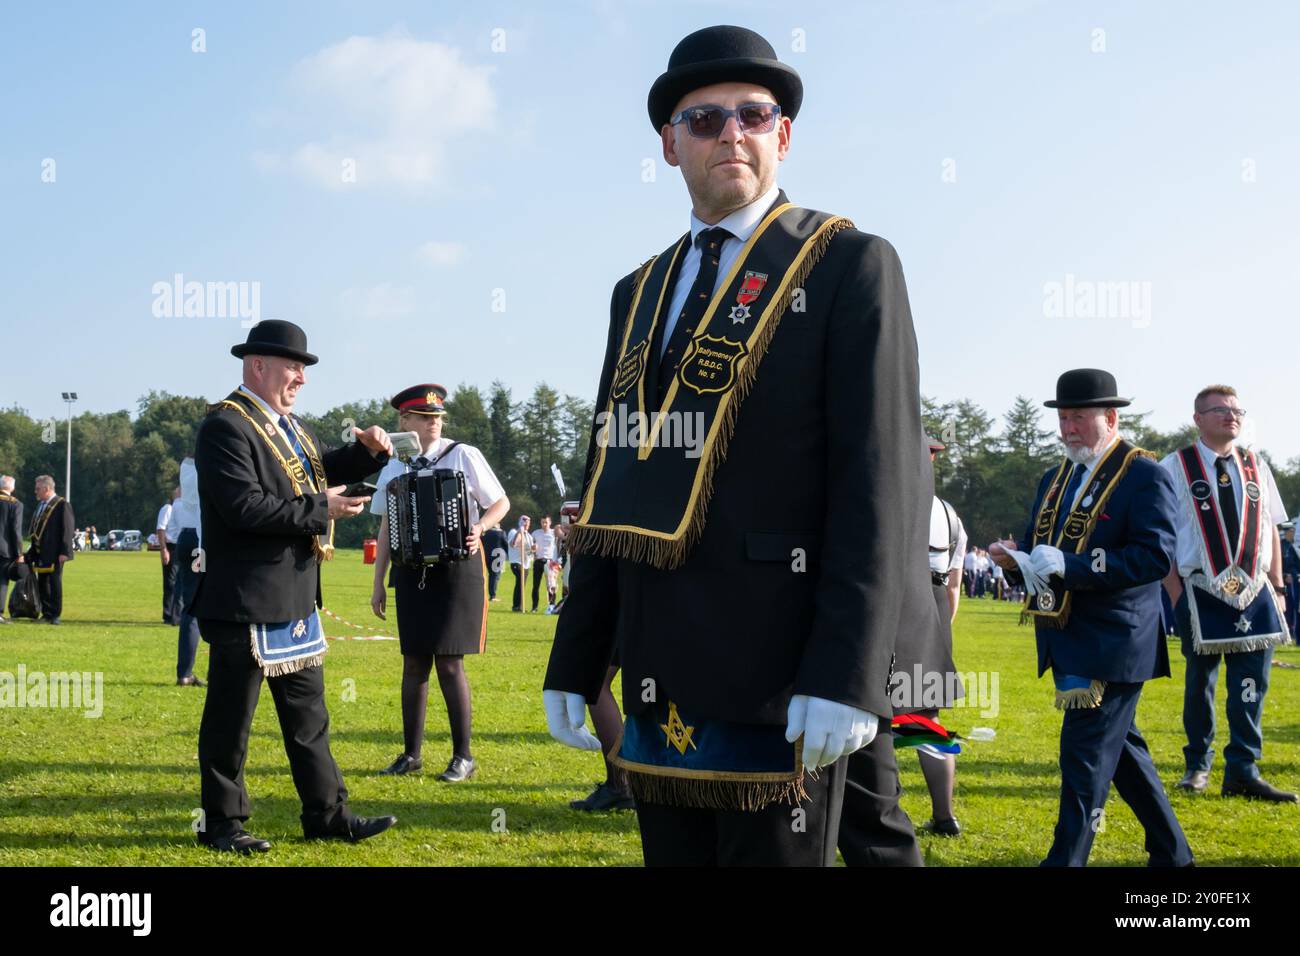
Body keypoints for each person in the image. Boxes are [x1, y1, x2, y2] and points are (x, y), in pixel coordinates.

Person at [542, 25, 931, 866]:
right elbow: (613, 475)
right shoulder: (637, 290)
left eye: (754, 115)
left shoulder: (845, 264)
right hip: (660, 659)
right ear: (669, 143)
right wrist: (577, 655)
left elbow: (880, 480)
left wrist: (846, 673)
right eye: (706, 119)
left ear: (783, 134)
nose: (733, 134)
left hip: (785, 666)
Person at [190, 319, 397, 854]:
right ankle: (222, 824)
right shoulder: (225, 427)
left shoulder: (291, 427)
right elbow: (244, 507)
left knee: (309, 721)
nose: (301, 377)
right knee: (229, 724)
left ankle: (327, 814)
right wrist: (319, 509)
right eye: (293, 367)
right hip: (246, 601)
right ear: (257, 365)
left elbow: (315, 468)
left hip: (296, 598)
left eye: (303, 369)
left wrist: (368, 456)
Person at [990, 368, 1193, 867]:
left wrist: (1074, 566)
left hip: (1115, 641)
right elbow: (1041, 551)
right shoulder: (1055, 476)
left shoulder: (1145, 474)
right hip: (1067, 634)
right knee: (1124, 756)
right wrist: (1015, 561)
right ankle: (1174, 853)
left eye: (1079, 417)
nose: (1068, 428)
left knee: (1082, 760)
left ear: (1110, 416)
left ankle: (1065, 860)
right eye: (1063, 418)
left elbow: (1152, 558)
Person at [1160, 385, 1296, 803]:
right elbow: (1161, 534)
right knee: (1200, 682)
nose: (1231, 416)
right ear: (1197, 419)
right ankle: (1197, 764)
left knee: (1252, 681)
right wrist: (1176, 592)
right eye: (1220, 410)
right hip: (1198, 586)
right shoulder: (1172, 466)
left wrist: (1277, 585)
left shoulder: (1257, 465)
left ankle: (1243, 768)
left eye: (1236, 410)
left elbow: (1271, 528)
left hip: (1256, 588)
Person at [369, 383, 510, 782]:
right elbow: (384, 525)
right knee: (413, 662)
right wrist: (378, 582)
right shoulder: (395, 464)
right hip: (411, 572)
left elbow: (501, 502)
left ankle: (463, 756)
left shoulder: (463, 454)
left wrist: (480, 526)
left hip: (457, 571)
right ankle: (411, 754)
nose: (433, 423)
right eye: (423, 417)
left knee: (449, 663)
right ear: (404, 421)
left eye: (436, 417)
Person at [838, 435, 965, 866]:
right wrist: (939, 629)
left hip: (896, 603)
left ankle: (883, 806)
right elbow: (953, 585)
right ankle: (943, 813)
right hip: (931, 609)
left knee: (879, 714)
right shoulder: (948, 512)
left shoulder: (890, 493)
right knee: (925, 717)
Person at [169, 458, 204, 687]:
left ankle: (184, 672)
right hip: (201, 541)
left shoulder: (188, 468)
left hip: (186, 540)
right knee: (198, 610)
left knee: (191, 608)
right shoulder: (207, 469)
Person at [27, 475, 75, 625]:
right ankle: (46, 613)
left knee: (54, 583)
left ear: (46, 489)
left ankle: (55, 614)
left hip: (55, 553)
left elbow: (67, 529)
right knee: (43, 583)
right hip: (41, 551)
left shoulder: (62, 505)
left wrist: (65, 552)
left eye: (38, 489)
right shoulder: (41, 505)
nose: (35, 491)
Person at [0, 475, 23, 623]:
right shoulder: (15, 504)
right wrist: (19, 553)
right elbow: (16, 530)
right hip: (4, 549)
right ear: (12, 488)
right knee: (1, 581)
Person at [157, 486, 181, 625]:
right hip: (170, 547)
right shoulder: (168, 509)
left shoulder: (182, 510)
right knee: (170, 582)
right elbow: (161, 529)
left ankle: (176, 614)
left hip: (180, 546)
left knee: (179, 582)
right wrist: (163, 549)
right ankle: (168, 614)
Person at [507, 515, 534, 612]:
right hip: (516, 562)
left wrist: (533, 549)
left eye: (528, 523)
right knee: (520, 582)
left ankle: (519, 605)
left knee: (522, 584)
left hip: (526, 563)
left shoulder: (529, 537)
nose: (526, 524)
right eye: (524, 522)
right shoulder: (513, 532)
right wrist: (520, 532)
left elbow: (530, 552)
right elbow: (513, 544)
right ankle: (516, 606)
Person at [531, 515, 558, 611]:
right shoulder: (535, 533)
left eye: (546, 522)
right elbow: (531, 547)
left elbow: (558, 546)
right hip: (538, 561)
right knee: (536, 585)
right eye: (542, 522)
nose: (544, 524)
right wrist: (533, 548)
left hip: (550, 561)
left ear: (550, 522)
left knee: (551, 585)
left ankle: (552, 605)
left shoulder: (554, 533)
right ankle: (534, 607)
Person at [482, 522, 507, 602]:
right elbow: (505, 545)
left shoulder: (485, 533)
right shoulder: (501, 533)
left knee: (490, 575)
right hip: (497, 557)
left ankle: (489, 594)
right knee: (495, 575)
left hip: (487, 556)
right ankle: (492, 595)